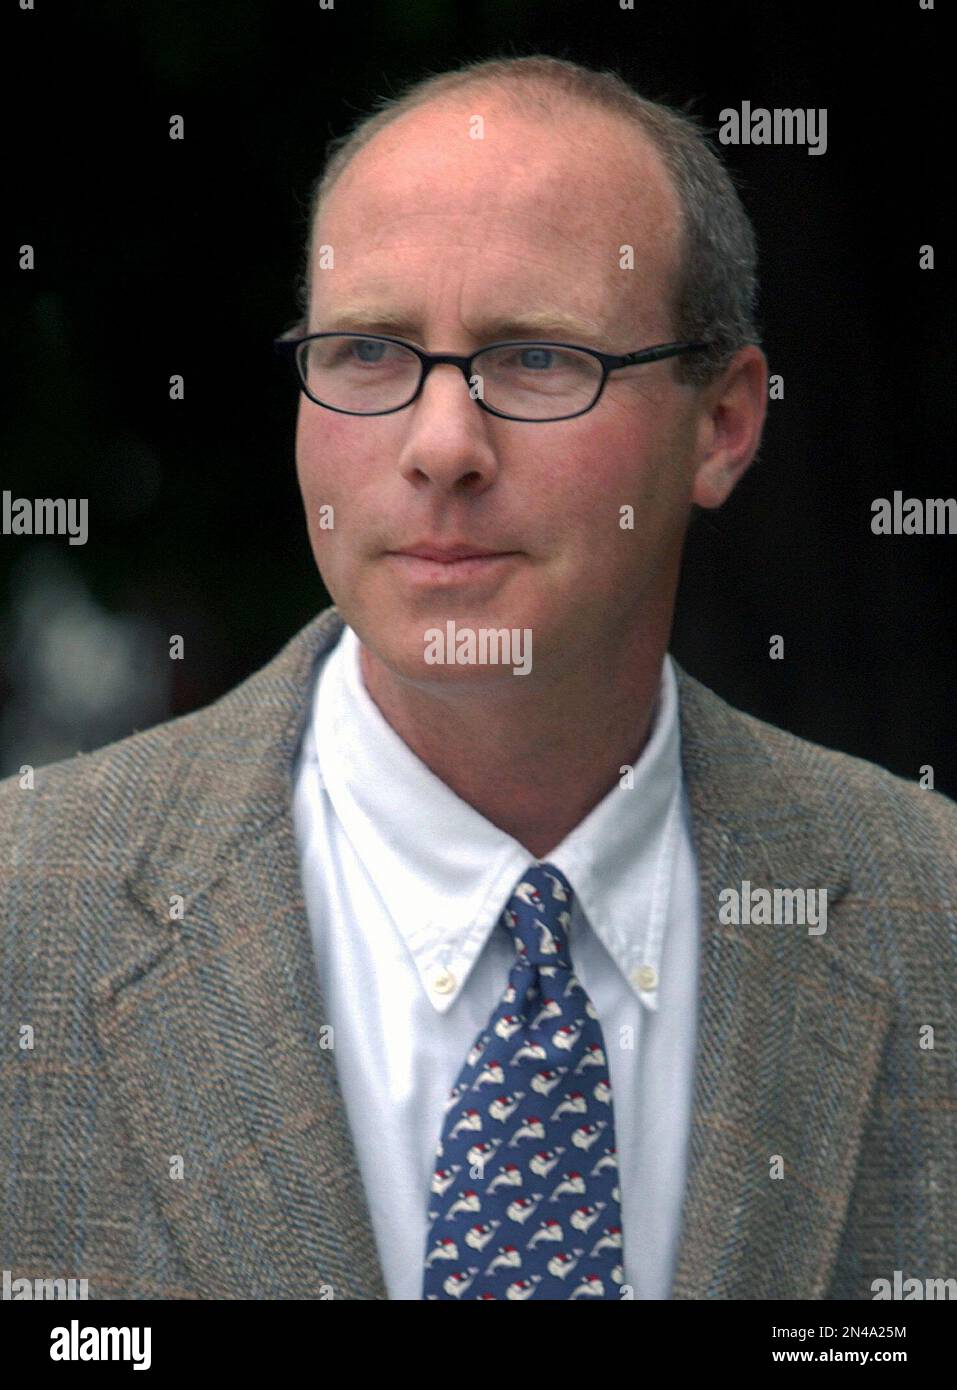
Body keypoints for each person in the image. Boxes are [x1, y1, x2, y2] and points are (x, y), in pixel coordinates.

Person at [1, 54, 954, 1302]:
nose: (441, 445)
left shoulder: (927, 915)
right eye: (367, 352)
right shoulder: (30, 918)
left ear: (723, 424)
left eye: (539, 360)